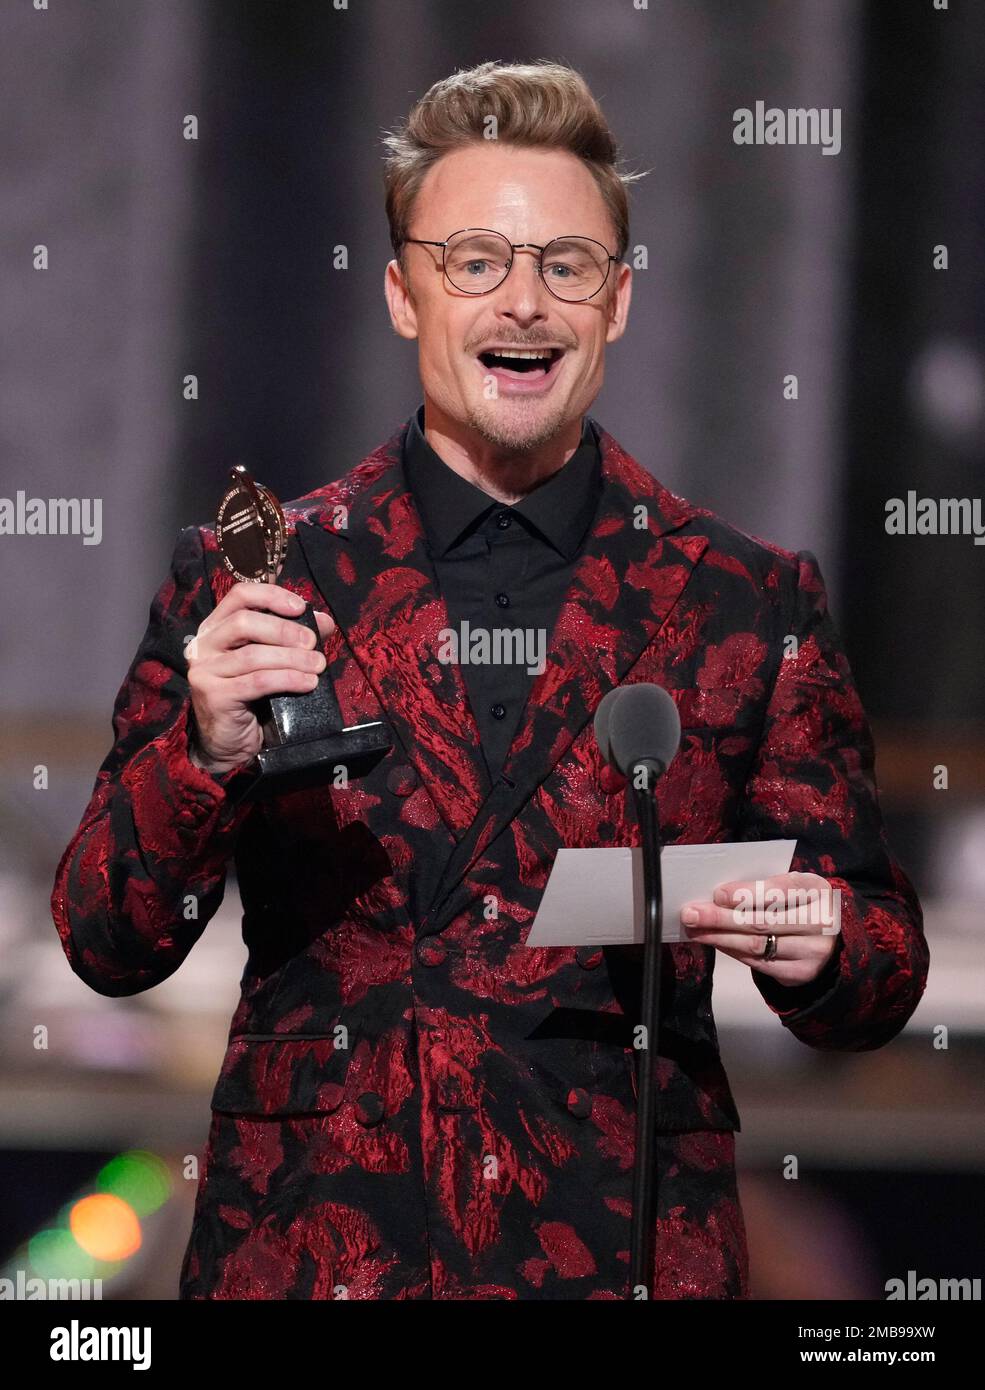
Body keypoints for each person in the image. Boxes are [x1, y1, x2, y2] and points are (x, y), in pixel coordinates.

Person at [51, 60, 928, 1300]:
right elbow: (105, 938)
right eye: (476, 261)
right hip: (321, 1253)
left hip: (616, 1254)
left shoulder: (747, 601)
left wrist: (821, 945)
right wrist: (201, 757)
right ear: (405, 292)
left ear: (617, 302)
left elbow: (880, 965)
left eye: (566, 265)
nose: (524, 303)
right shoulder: (260, 577)